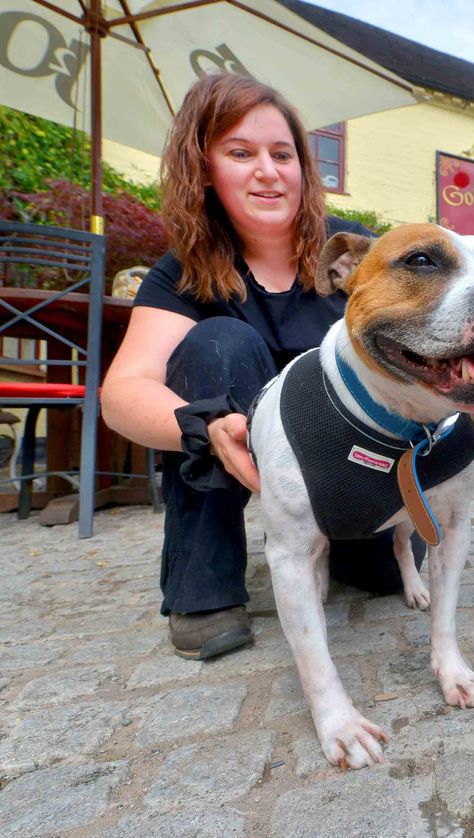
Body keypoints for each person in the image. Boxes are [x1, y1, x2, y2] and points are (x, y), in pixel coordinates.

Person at [101, 73, 421, 661]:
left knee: (384, 575)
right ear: (203, 169)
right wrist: (205, 427)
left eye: (283, 154)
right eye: (240, 153)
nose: (268, 172)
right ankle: (206, 587)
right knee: (218, 342)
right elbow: (122, 390)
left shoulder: (354, 255)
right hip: (238, 438)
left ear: (303, 167)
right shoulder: (183, 273)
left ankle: (345, 538)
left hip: (353, 461)